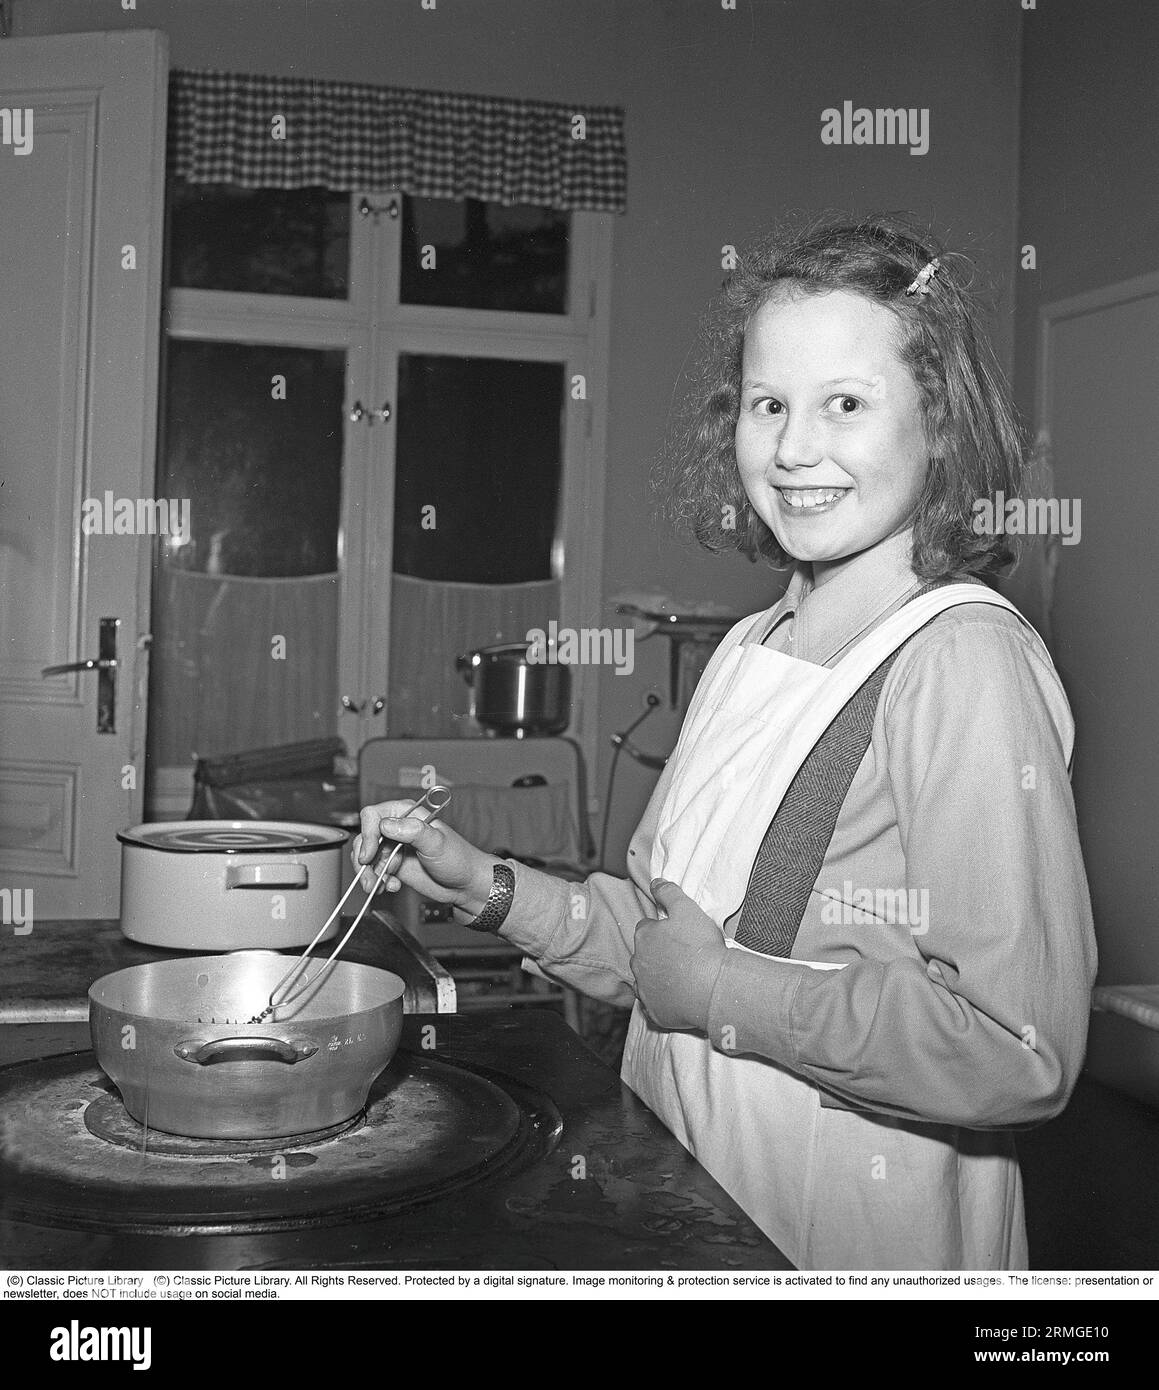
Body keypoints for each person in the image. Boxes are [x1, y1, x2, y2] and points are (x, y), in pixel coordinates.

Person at [354, 215, 1096, 1271]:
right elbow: (666, 947)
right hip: (690, 1195)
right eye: (768, 404)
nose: (794, 448)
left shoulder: (959, 660)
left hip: (844, 1231)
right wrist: (482, 879)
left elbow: (1014, 1049)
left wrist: (724, 992)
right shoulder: (753, 643)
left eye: (846, 402)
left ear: (938, 426)